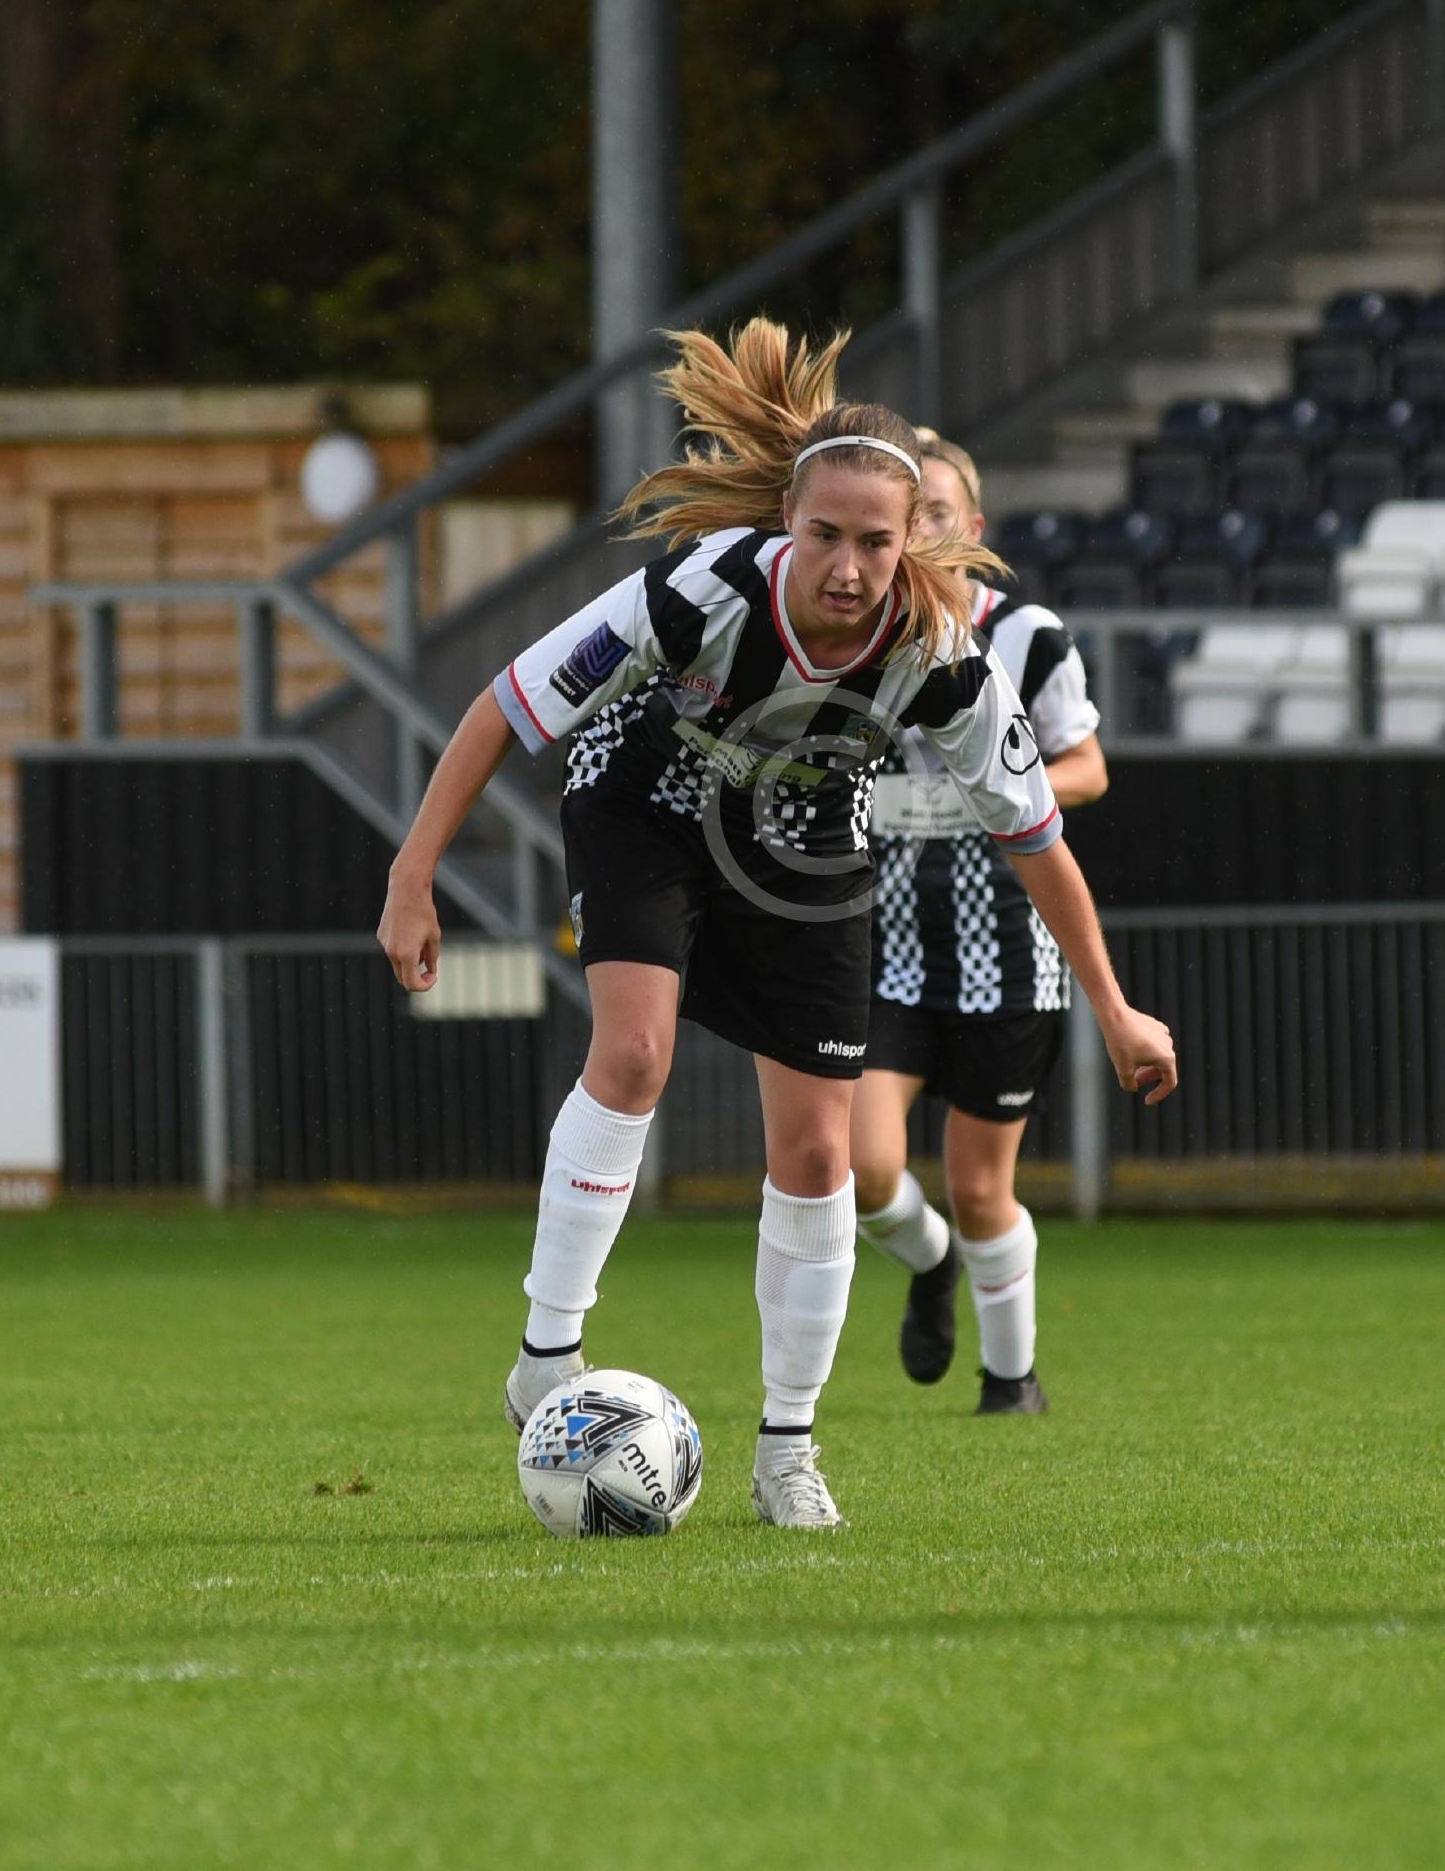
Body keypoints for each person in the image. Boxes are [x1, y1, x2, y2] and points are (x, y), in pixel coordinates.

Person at [376, 319, 1176, 1530]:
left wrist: (1112, 1007)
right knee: (633, 1053)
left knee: (815, 1158)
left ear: (917, 544)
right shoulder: (703, 585)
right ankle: (547, 1352)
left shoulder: (944, 662)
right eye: (823, 535)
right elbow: (506, 704)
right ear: (784, 524)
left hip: (805, 837)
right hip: (648, 796)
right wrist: (411, 874)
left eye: (874, 541)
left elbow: (1037, 843)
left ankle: (784, 1452)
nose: (846, 566)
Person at [847, 432, 1108, 1414]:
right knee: (861, 1168)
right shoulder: (849, 627)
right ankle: (930, 1263)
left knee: (979, 1185)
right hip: (889, 949)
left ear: (972, 526)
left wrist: (988, 794)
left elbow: (1087, 766)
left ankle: (1011, 1380)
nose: (919, 531)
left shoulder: (1026, 633)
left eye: (936, 513)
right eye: (905, 515)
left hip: (1007, 954)